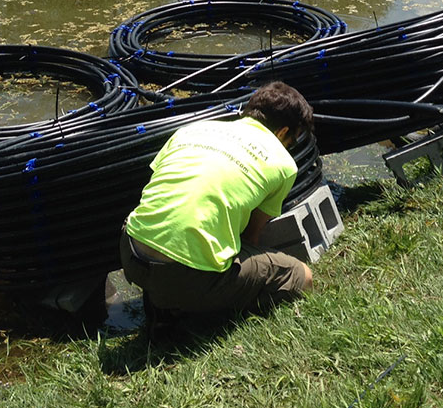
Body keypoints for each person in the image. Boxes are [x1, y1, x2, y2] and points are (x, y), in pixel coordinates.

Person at [119, 81, 314, 318]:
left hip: (131, 253)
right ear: (283, 132)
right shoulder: (283, 165)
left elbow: (158, 191)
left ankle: (165, 300)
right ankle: (196, 312)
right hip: (186, 278)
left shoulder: (192, 130)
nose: (288, 147)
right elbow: (250, 239)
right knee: (302, 277)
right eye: (290, 141)